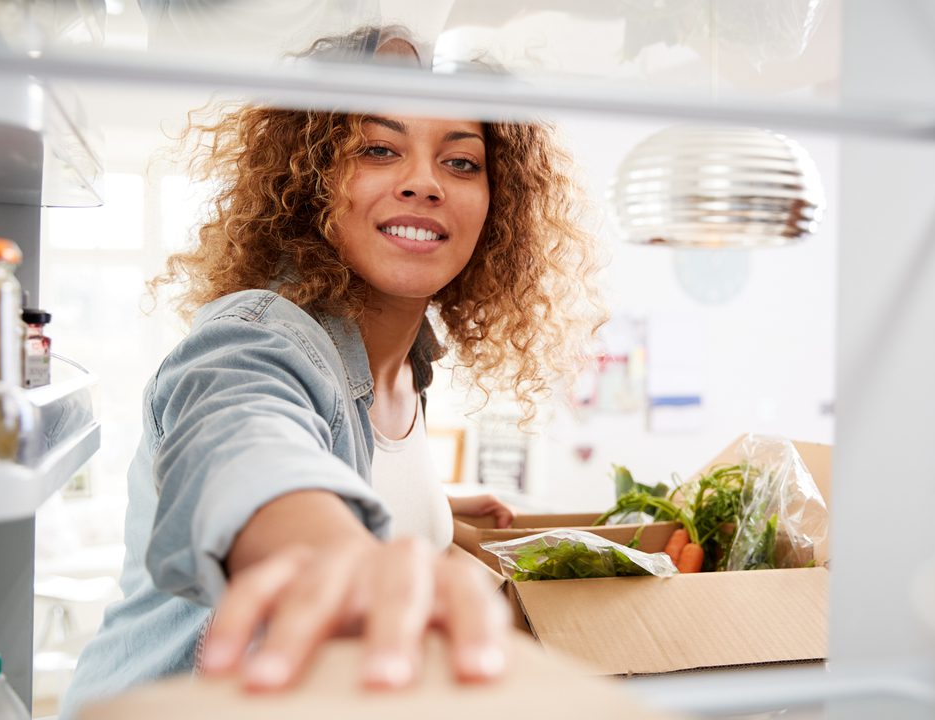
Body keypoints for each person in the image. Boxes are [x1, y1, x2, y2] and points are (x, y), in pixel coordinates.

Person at [60, 25, 605, 717]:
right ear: (312, 179)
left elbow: (350, 463)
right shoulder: (257, 337)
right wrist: (333, 554)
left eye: (462, 163)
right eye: (379, 150)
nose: (424, 183)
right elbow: (246, 443)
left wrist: (437, 518)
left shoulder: (411, 361)